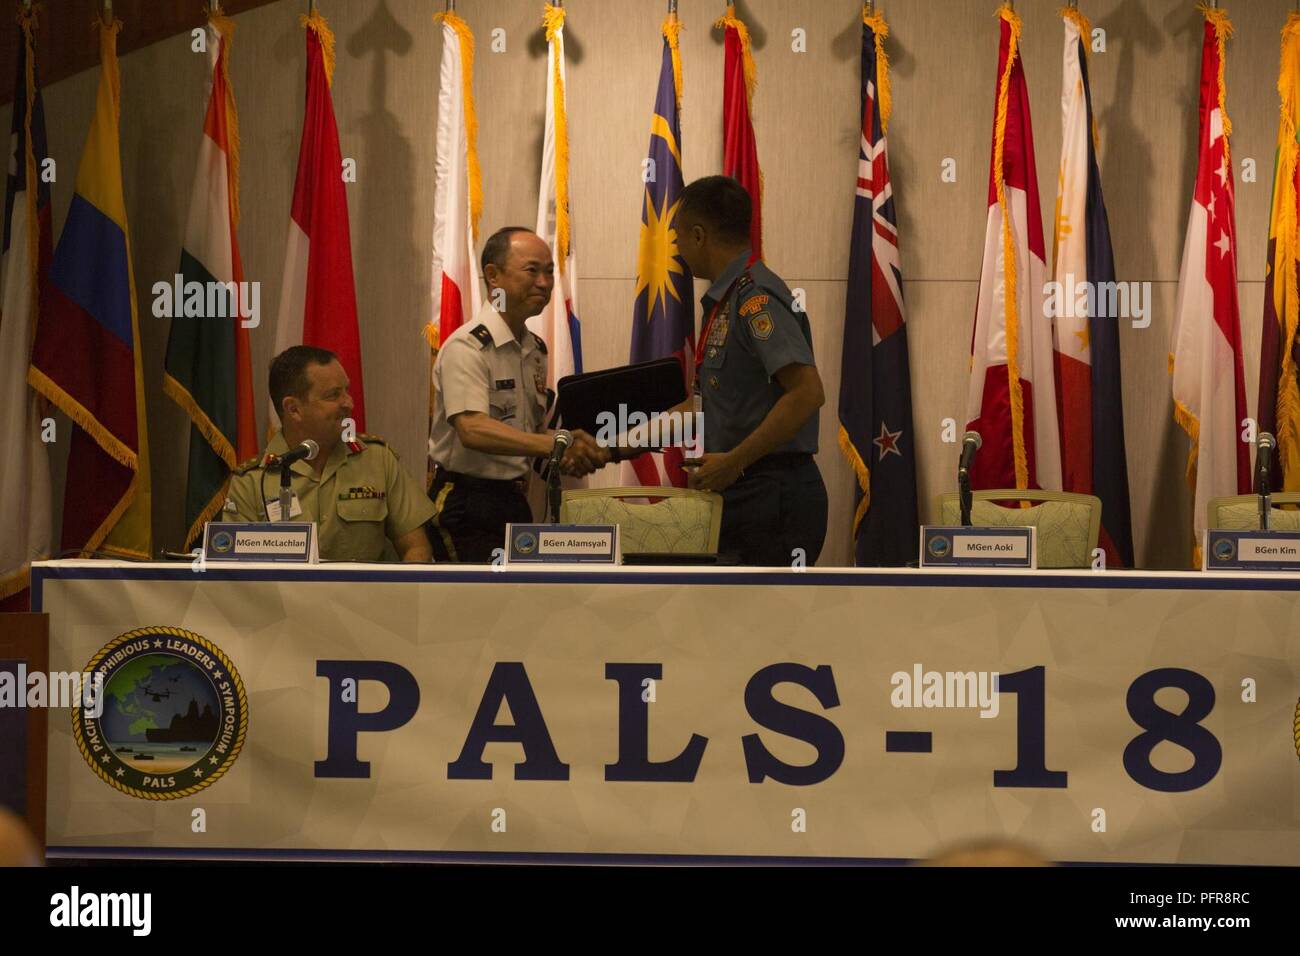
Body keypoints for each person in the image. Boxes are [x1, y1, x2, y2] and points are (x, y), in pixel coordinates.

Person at [671, 175, 828, 566]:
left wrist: (734, 461)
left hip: (771, 496)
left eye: (678, 237)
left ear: (699, 235)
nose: (676, 248)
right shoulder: (726, 299)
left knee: (764, 609)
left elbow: (808, 392)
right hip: (745, 494)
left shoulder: (755, 297)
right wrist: (614, 445)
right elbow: (704, 407)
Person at [428, 227, 607, 562]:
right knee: (476, 595)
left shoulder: (534, 349)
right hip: (465, 503)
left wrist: (572, 446)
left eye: (549, 272)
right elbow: (472, 429)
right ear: (493, 276)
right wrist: (554, 445)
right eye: (532, 270)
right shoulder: (467, 347)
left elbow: (528, 433)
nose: (544, 283)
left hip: (513, 499)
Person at [225, 346, 435, 562]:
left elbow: (417, 549)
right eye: (333, 395)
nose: (349, 403)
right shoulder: (252, 481)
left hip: (364, 586)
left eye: (346, 391)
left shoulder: (378, 460)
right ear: (293, 409)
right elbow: (236, 570)